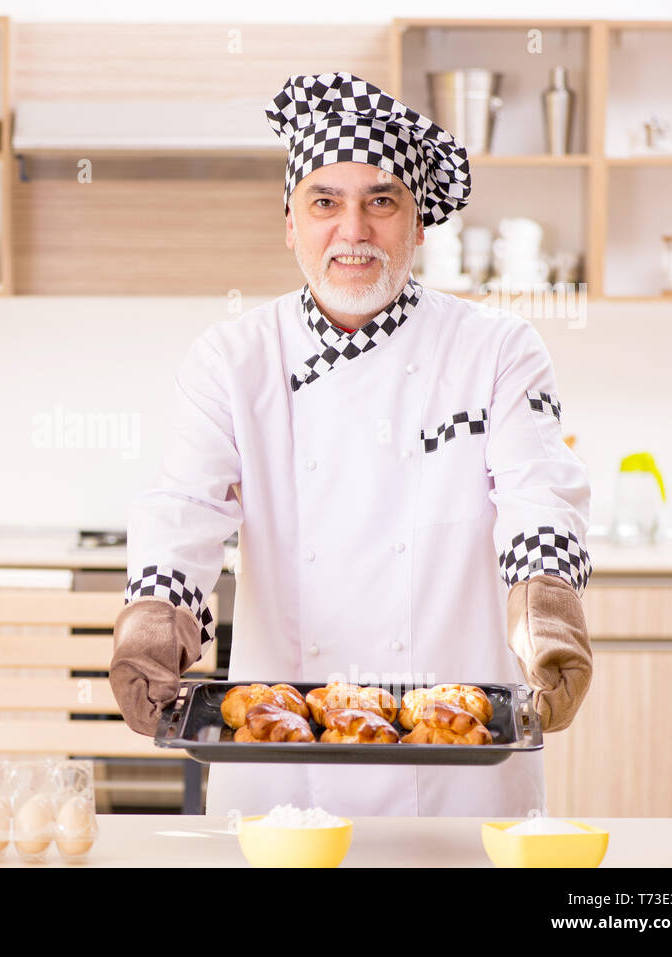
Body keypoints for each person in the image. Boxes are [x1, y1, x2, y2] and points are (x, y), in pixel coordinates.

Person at [108, 72, 593, 817]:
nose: (354, 230)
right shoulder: (233, 359)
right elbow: (186, 507)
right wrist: (152, 621)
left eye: (382, 201)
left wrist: (549, 613)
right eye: (325, 202)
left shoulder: (497, 350)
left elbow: (539, 496)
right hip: (280, 775)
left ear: (420, 223)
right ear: (292, 222)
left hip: (458, 771)